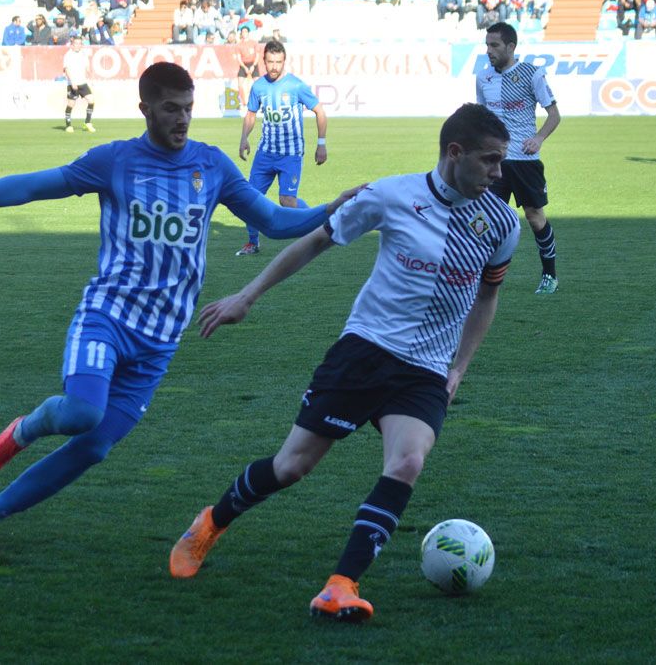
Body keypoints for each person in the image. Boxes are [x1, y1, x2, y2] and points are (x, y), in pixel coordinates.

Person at [0, 62, 360, 558]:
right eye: (170, 110)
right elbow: (33, 185)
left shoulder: (211, 166)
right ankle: (23, 429)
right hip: (108, 317)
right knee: (82, 412)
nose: (182, 120)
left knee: (93, 446)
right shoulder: (114, 161)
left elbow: (273, 221)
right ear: (146, 110)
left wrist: (330, 208)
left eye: (188, 109)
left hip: (160, 340)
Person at [169, 102, 519, 623]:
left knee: (407, 462)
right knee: (291, 467)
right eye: (490, 161)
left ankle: (340, 586)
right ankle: (212, 522)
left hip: (425, 369)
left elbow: (487, 297)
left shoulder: (499, 222)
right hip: (365, 351)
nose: (498, 174)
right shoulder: (391, 196)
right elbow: (315, 243)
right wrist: (248, 295)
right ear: (455, 153)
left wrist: (459, 366)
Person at [476, 22, 561, 295]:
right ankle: (482, 275)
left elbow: (554, 115)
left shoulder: (531, 74)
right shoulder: (483, 78)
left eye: (494, 45)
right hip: (494, 163)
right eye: (487, 45)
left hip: (524, 162)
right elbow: (482, 118)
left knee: (535, 217)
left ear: (511, 47)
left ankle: (550, 275)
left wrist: (538, 138)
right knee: (487, 218)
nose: (489, 50)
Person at [236, 40, 327, 256]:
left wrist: (321, 144)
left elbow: (320, 112)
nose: (274, 66)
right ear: (264, 61)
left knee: (287, 201)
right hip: (265, 153)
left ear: (284, 61)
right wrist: (244, 138)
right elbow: (251, 114)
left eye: (278, 61)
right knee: (250, 199)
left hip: (290, 154)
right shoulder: (258, 86)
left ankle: (320, 221)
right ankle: (252, 242)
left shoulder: (295, 85)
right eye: (270, 61)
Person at [62, 35, 96, 133]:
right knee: (71, 104)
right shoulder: (68, 55)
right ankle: (68, 125)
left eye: (80, 43)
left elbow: (87, 68)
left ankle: (87, 123)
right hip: (73, 83)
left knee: (91, 100)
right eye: (76, 43)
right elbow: (67, 69)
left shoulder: (83, 54)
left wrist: (91, 77)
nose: (78, 45)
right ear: (72, 45)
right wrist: (72, 82)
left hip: (83, 83)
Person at [232, 26, 259, 113]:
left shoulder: (254, 43)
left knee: (258, 84)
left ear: (248, 33)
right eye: (242, 32)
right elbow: (239, 58)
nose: (244, 34)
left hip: (253, 63)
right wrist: (244, 67)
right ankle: (244, 103)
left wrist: (253, 66)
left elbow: (257, 56)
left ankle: (259, 103)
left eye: (245, 32)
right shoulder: (239, 45)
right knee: (240, 84)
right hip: (244, 64)